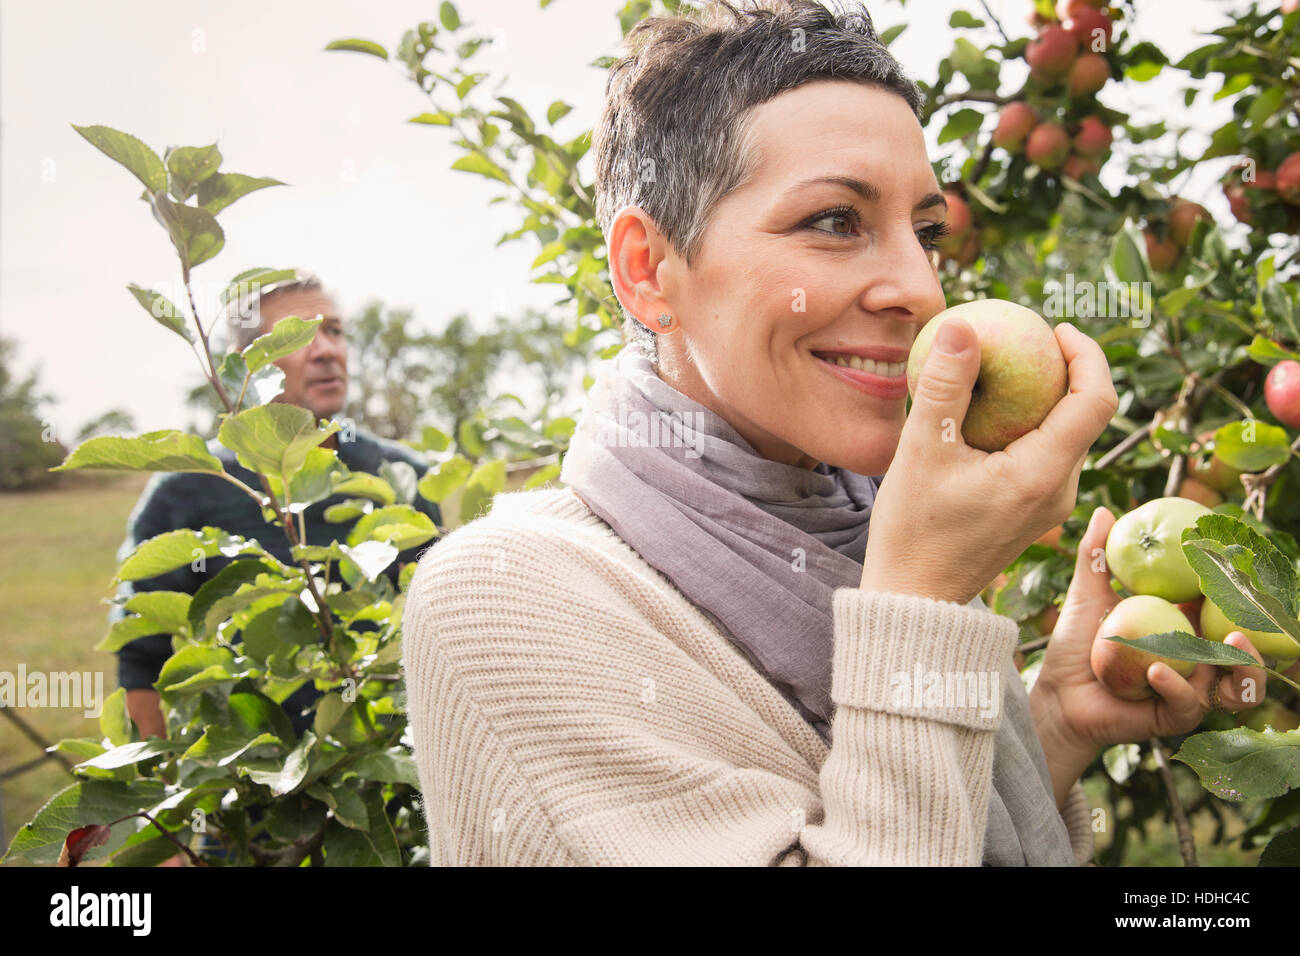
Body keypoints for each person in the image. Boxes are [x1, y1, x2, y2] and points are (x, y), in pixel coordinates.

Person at [400, 0, 1267, 866]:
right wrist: (920, 601)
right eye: (835, 221)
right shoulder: (505, 595)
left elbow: (911, 820)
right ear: (649, 271)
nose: (920, 289)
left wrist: (1053, 723)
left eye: (925, 232)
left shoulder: (861, 527)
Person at [112, 272, 442, 742]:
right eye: (301, 334)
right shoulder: (191, 486)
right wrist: (159, 789)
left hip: (396, 771)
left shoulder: (400, 475)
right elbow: (141, 654)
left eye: (334, 330)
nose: (327, 348)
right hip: (248, 780)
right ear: (251, 365)